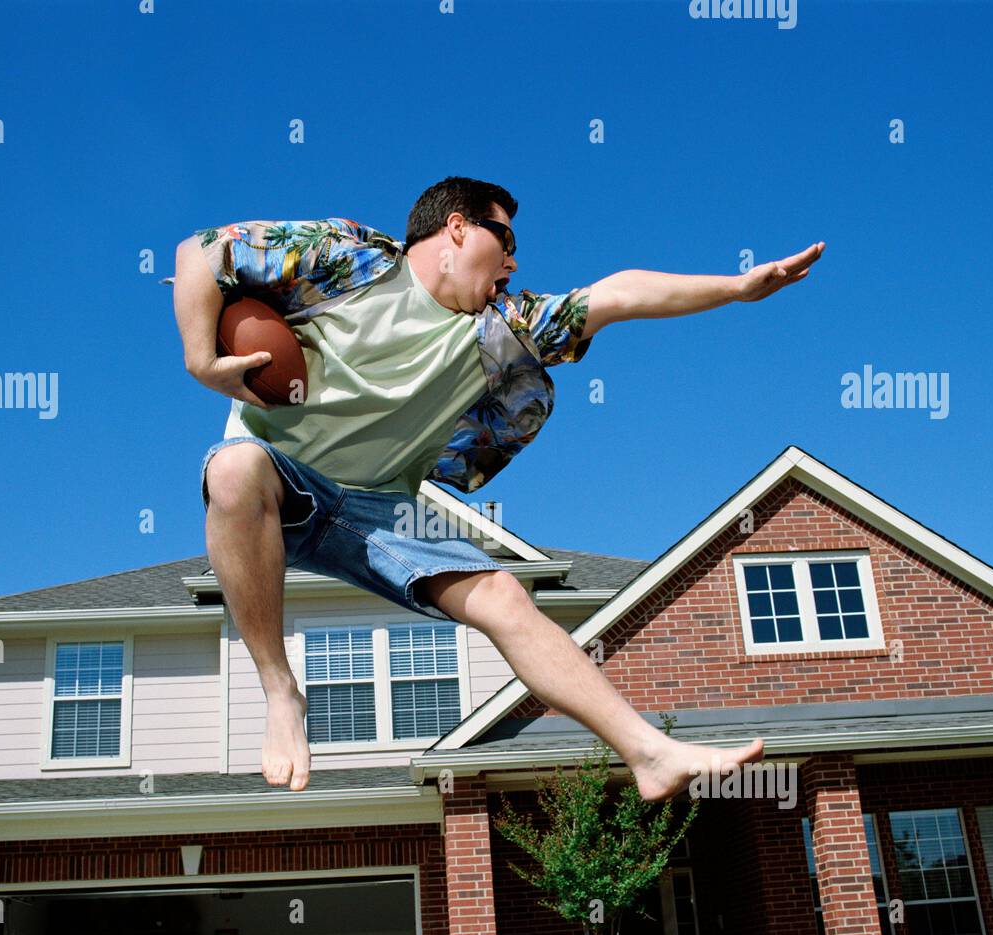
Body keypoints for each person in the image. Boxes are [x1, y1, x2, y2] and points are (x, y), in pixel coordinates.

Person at [170, 176, 824, 794]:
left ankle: (648, 752)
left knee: (505, 596)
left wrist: (736, 288)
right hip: (276, 478)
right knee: (232, 467)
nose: (512, 264)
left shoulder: (504, 329)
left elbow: (615, 294)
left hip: (377, 510)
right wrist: (202, 359)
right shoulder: (349, 260)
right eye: (504, 242)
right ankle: (280, 688)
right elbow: (200, 254)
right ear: (455, 227)